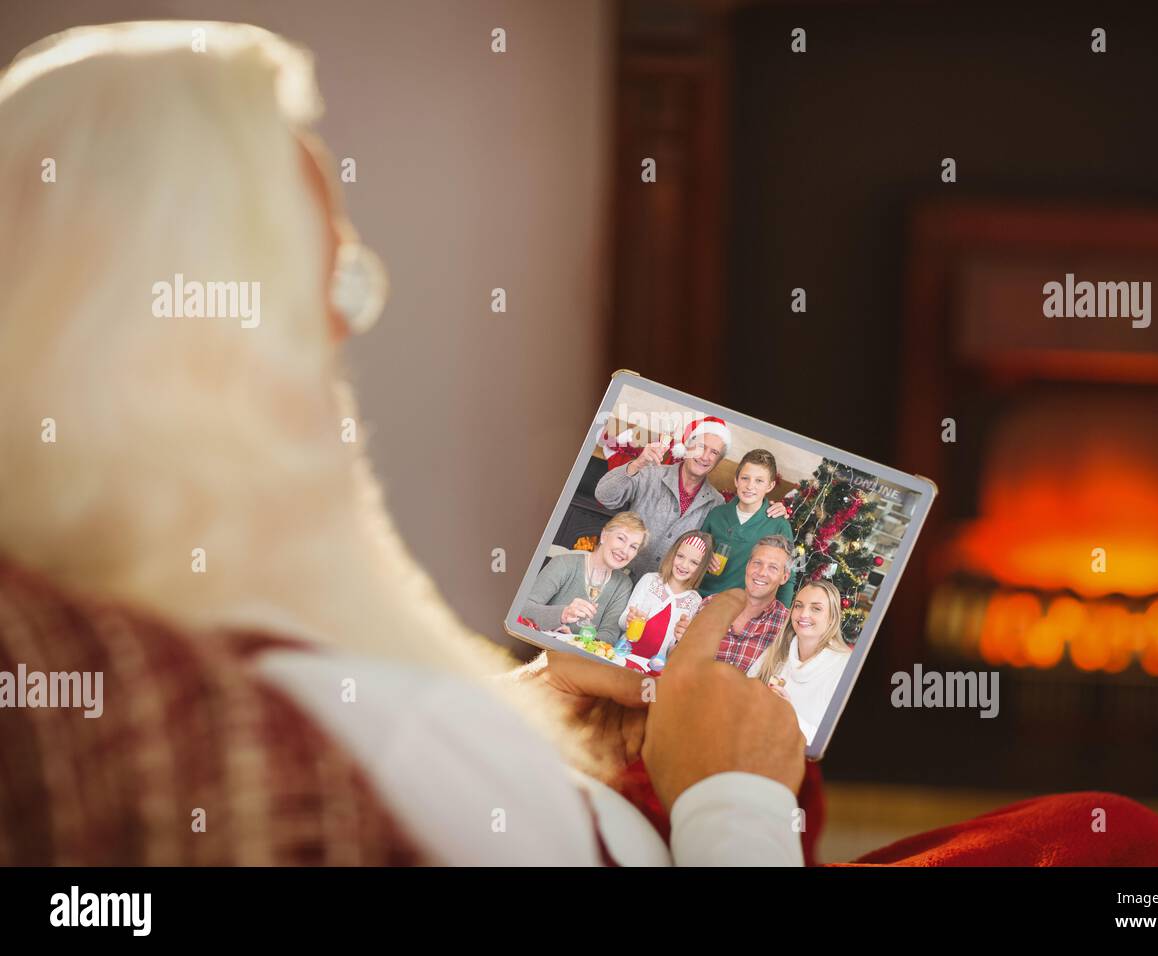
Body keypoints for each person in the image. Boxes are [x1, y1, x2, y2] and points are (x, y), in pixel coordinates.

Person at [0, 22, 808, 866]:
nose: (348, 328)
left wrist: (512, 717)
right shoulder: (307, 743)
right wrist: (735, 798)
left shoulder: (136, 661)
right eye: (342, 280)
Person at [594, 417, 786, 581]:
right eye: (701, 447)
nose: (705, 456)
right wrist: (636, 464)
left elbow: (721, 539)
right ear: (686, 447)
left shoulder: (716, 503)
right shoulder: (651, 474)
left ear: (718, 461)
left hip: (661, 595)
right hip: (618, 577)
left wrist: (768, 507)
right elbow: (605, 496)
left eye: (714, 453)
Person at [749, 581, 854, 744]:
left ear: (833, 617)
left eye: (816, 608)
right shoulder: (777, 650)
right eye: (798, 606)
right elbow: (747, 691)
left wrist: (788, 716)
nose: (803, 614)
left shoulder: (845, 667)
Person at [522, 512, 643, 647]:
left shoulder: (623, 584)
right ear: (604, 536)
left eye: (633, 547)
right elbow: (523, 608)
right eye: (621, 538)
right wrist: (563, 614)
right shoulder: (564, 564)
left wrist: (575, 640)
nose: (624, 550)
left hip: (579, 658)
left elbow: (609, 635)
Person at [680, 535, 792, 672]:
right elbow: (678, 662)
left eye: (773, 568)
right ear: (747, 566)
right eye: (757, 563)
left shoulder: (787, 626)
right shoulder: (710, 604)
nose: (762, 572)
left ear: (784, 578)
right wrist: (683, 643)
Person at [699, 448, 795, 607]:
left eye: (759, 481)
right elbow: (695, 553)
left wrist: (781, 616)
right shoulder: (717, 514)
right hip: (702, 598)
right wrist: (704, 558)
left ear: (770, 486)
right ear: (736, 480)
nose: (750, 486)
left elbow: (789, 576)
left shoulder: (779, 525)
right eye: (745, 478)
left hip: (744, 609)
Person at [617, 530, 713, 673]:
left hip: (654, 670)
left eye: (694, 562)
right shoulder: (649, 580)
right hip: (624, 658)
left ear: (701, 568)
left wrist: (683, 639)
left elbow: (674, 650)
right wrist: (629, 619)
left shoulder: (694, 601)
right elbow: (622, 621)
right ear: (672, 555)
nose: (684, 565)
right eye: (680, 556)